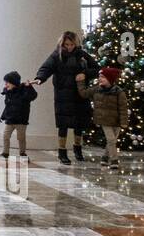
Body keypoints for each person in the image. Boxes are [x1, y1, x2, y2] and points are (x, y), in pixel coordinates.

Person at [32, 31, 100, 164]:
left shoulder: (82, 55)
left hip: (80, 93)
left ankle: (77, 149)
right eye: (66, 44)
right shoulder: (57, 55)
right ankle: (62, 152)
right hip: (63, 94)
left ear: (76, 43)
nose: (69, 47)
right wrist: (39, 79)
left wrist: (85, 74)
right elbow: (46, 68)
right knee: (63, 124)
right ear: (62, 43)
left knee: (79, 123)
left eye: (72, 44)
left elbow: (97, 69)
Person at [80, 65, 128, 169]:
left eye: (103, 77)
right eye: (99, 76)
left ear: (110, 79)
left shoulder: (119, 92)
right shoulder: (97, 89)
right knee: (111, 140)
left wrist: (123, 121)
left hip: (116, 120)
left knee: (112, 141)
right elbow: (84, 93)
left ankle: (105, 157)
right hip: (104, 120)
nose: (99, 79)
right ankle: (114, 160)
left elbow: (123, 108)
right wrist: (80, 82)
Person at [0, 71, 38, 159]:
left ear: (14, 82)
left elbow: (33, 96)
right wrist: (3, 116)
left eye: (7, 82)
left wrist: (29, 87)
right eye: (5, 82)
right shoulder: (8, 92)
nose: (6, 84)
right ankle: (5, 153)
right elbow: (8, 106)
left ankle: (22, 153)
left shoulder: (23, 91)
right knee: (5, 136)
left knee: (21, 138)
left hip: (21, 121)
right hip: (10, 120)